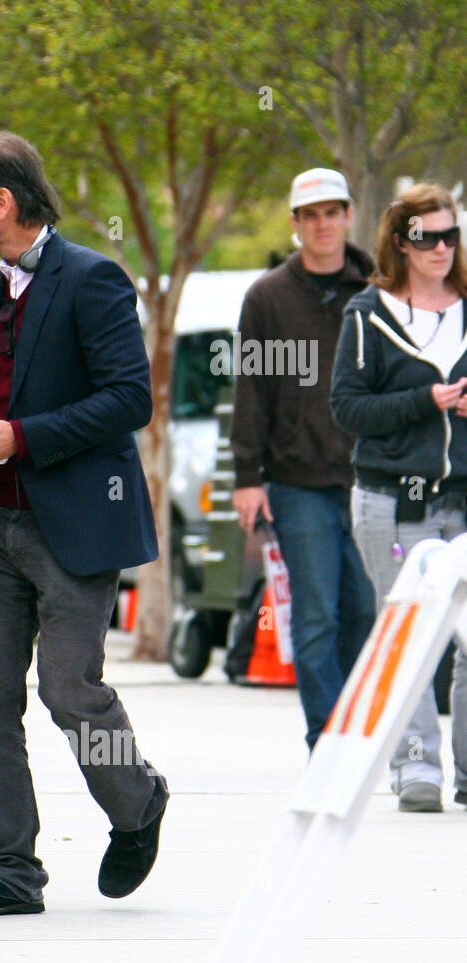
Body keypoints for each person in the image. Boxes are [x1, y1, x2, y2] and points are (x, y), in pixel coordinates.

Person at [0, 131, 168, 917]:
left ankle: (137, 804)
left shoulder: (94, 279)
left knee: (69, 689)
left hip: (75, 526)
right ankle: (10, 873)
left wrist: (20, 436)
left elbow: (131, 398)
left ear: (2, 201)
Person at [332, 181, 467, 813]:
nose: (441, 247)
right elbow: (348, 408)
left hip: (462, 498)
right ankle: (416, 768)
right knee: (410, 637)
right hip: (393, 501)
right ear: (401, 242)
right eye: (427, 236)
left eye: (450, 234)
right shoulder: (369, 313)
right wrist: (429, 400)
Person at [230, 168, 376, 753]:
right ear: (295, 224)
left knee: (367, 614)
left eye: (332, 212)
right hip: (297, 483)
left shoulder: (379, 287)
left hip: (376, 480)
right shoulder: (266, 297)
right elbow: (251, 392)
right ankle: (329, 743)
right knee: (315, 619)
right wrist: (246, 478)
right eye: (309, 215)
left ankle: (361, 732)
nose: (322, 224)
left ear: (347, 216)